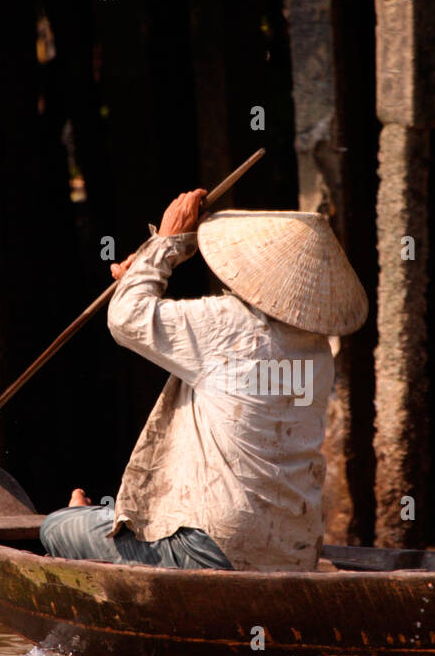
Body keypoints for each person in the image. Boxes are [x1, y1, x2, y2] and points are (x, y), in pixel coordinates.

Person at [39, 189, 367, 571]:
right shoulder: (318, 351)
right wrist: (141, 272)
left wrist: (165, 244)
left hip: (211, 544)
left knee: (56, 526)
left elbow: (127, 318)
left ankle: (80, 524)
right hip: (292, 549)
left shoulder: (228, 324)